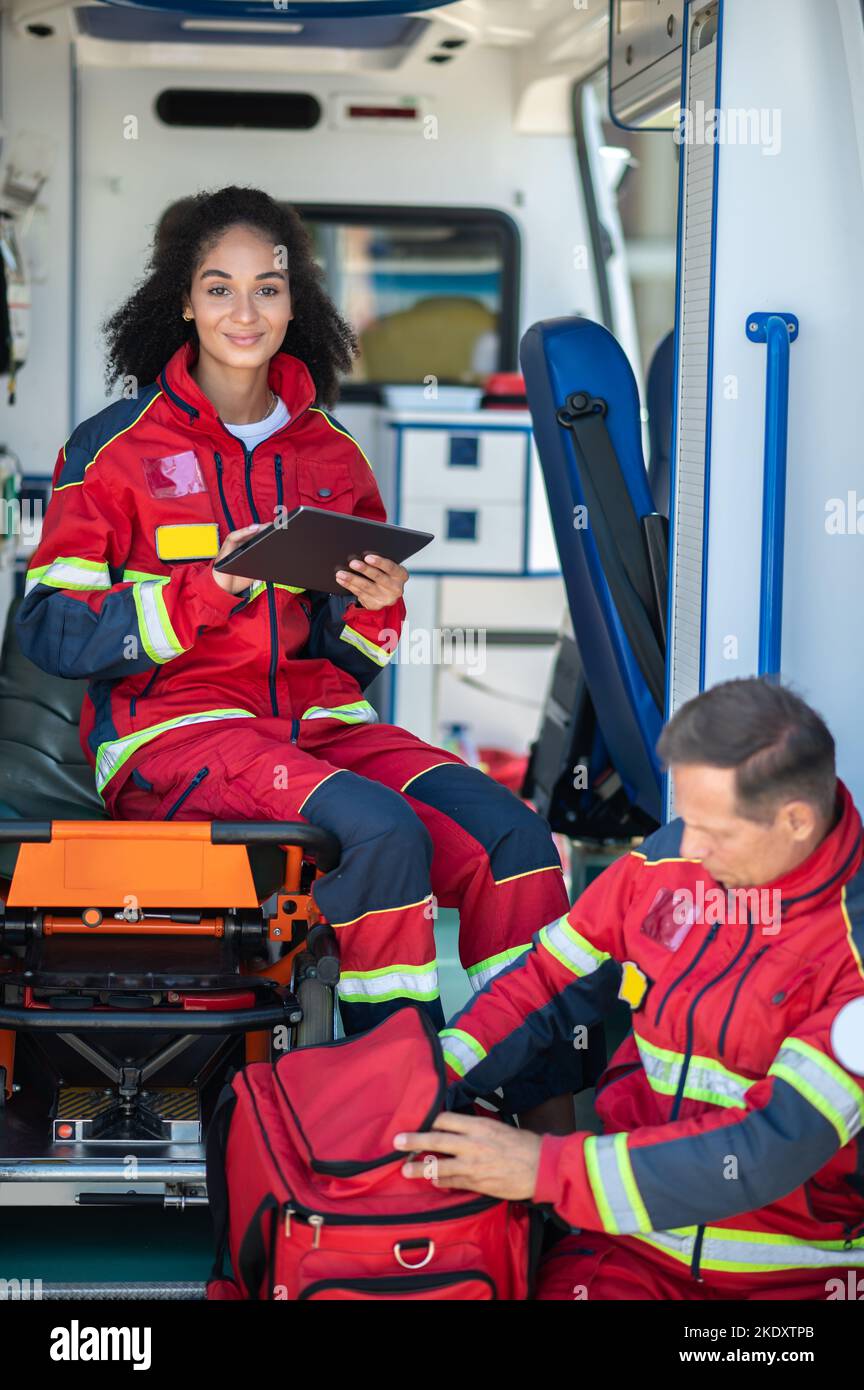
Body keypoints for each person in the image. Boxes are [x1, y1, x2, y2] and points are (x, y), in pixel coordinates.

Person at [15, 184, 588, 1127]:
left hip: (320, 730)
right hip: (172, 739)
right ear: (184, 302)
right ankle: (387, 1110)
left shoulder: (331, 454)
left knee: (513, 840)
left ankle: (524, 1107)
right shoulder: (111, 451)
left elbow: (341, 661)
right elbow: (51, 629)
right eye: (220, 288)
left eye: (269, 288)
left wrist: (377, 612)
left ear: (297, 304)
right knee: (384, 833)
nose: (246, 312)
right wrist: (212, 588)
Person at [395, 678, 864, 1299]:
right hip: (625, 1247)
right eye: (686, 819)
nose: (687, 849)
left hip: (792, 1279)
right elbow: (546, 981)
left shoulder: (852, 952)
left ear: (796, 820)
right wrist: (432, 1079)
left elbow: (770, 1147)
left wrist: (543, 1168)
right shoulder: (669, 861)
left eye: (713, 831)